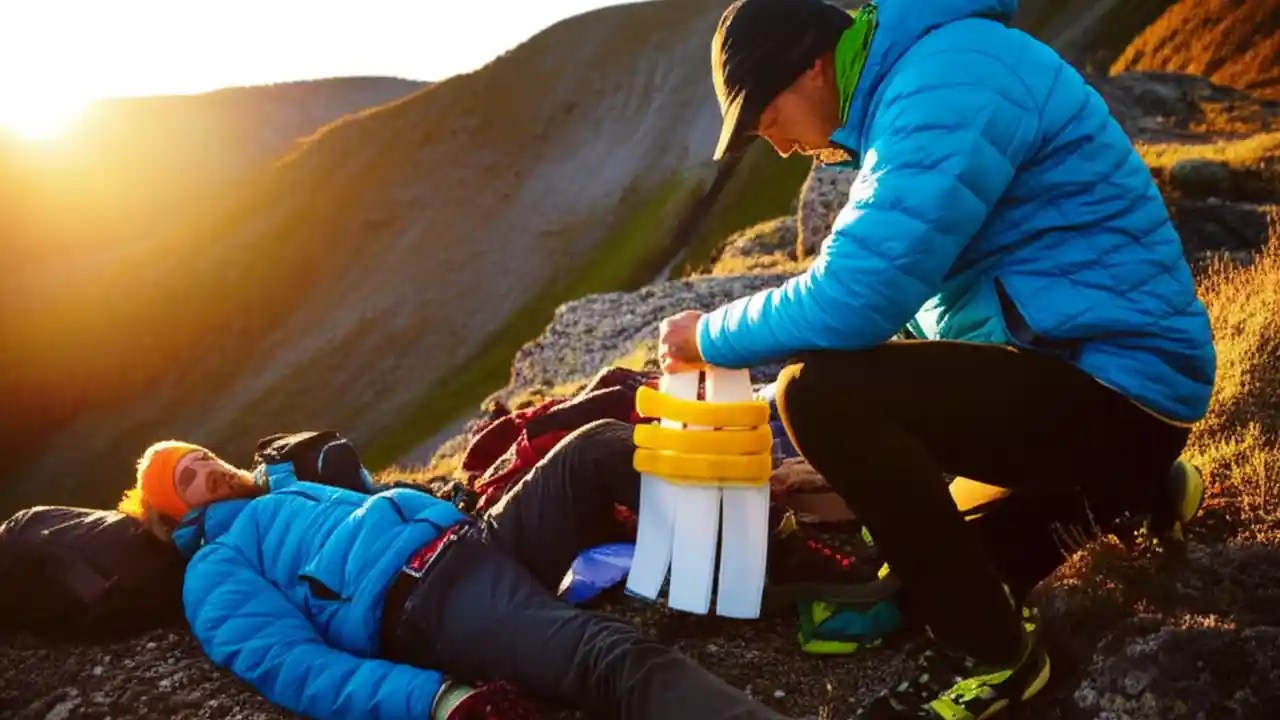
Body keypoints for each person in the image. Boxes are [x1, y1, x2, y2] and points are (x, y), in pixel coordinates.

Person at [658, 0, 1215, 717]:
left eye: (770, 122)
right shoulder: (914, 89)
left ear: (811, 65)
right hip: (1090, 385)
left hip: (1116, 386)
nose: (784, 147)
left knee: (820, 393)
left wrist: (704, 336)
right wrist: (850, 463)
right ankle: (1138, 490)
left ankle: (994, 660)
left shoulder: (946, 80)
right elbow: (940, 331)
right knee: (928, 576)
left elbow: (854, 299)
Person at [118, 425, 791, 720]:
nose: (207, 467)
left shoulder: (283, 489)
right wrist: (439, 700)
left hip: (476, 539)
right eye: (188, 477)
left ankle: (765, 557)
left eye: (201, 454)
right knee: (610, 656)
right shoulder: (215, 568)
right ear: (175, 511)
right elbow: (295, 668)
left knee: (595, 449)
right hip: (428, 599)